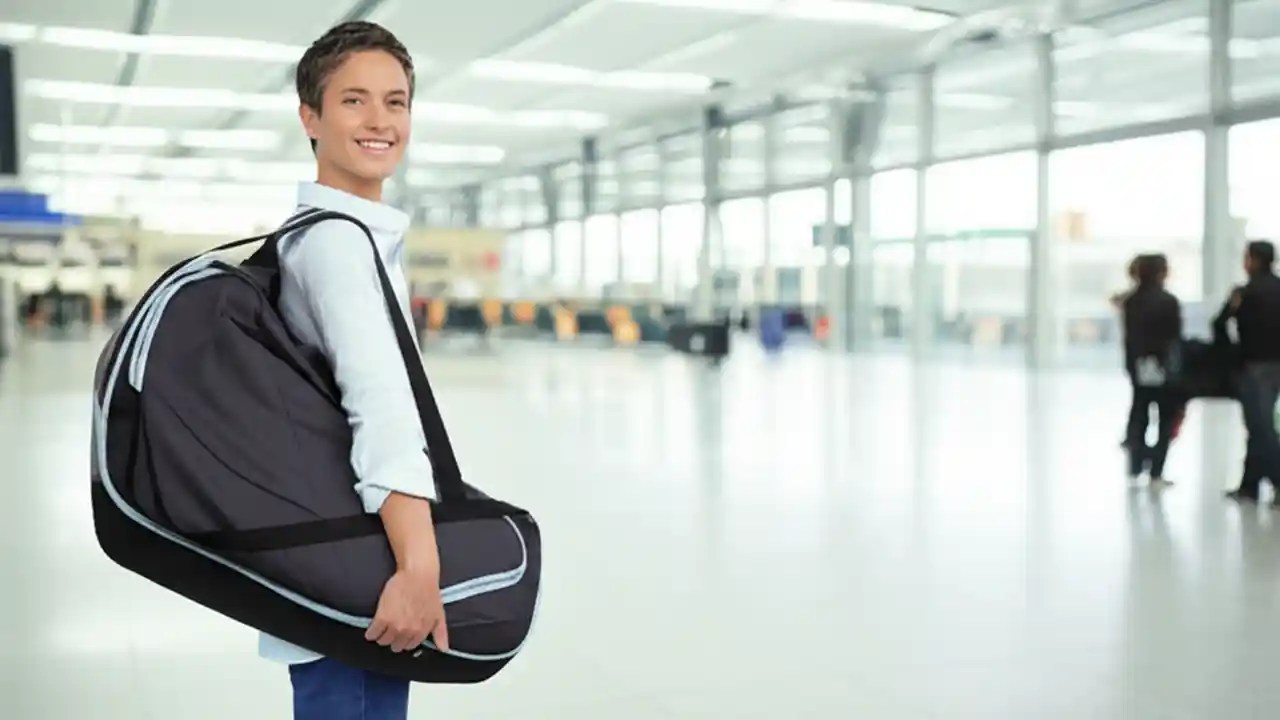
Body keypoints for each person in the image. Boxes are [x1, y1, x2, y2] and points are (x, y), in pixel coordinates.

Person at [258, 21, 448, 719]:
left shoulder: (324, 235)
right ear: (309, 116)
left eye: (395, 103)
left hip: (333, 558)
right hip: (364, 573)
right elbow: (381, 410)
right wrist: (420, 566)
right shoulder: (339, 246)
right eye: (354, 101)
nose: (379, 121)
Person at [1217, 241, 1280, 504]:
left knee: (1260, 427)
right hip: (1276, 364)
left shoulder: (1244, 293)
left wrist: (1231, 353)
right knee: (1259, 425)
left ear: (1253, 260)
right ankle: (1249, 485)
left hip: (1254, 365)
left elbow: (1219, 324)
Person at [1121, 254, 1183, 485]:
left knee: (1139, 413)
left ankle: (1136, 466)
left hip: (1139, 364)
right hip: (1163, 365)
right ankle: (1156, 469)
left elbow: (1130, 338)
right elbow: (1174, 338)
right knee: (1165, 417)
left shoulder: (1131, 301)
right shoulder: (1168, 301)